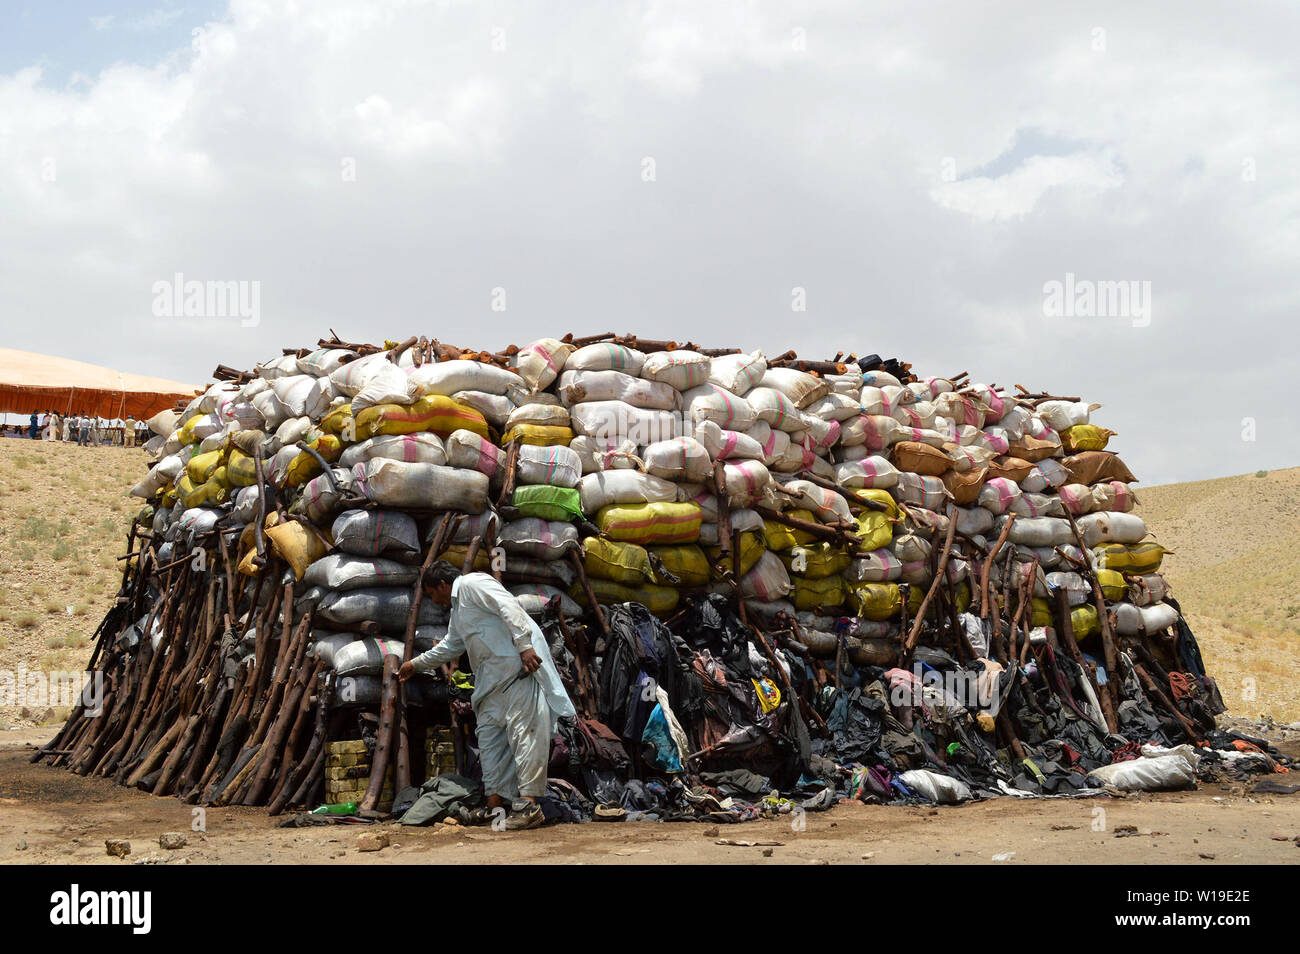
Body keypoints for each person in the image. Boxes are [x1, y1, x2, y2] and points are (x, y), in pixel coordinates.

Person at [398, 562, 575, 831]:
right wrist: (416, 664)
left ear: (442, 586)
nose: (434, 600)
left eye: (432, 594)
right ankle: (495, 808)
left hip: (518, 673)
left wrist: (525, 647)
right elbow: (451, 645)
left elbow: (509, 606)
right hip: (491, 684)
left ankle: (528, 806)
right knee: (491, 742)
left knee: (524, 737)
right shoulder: (458, 612)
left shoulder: (473, 584)